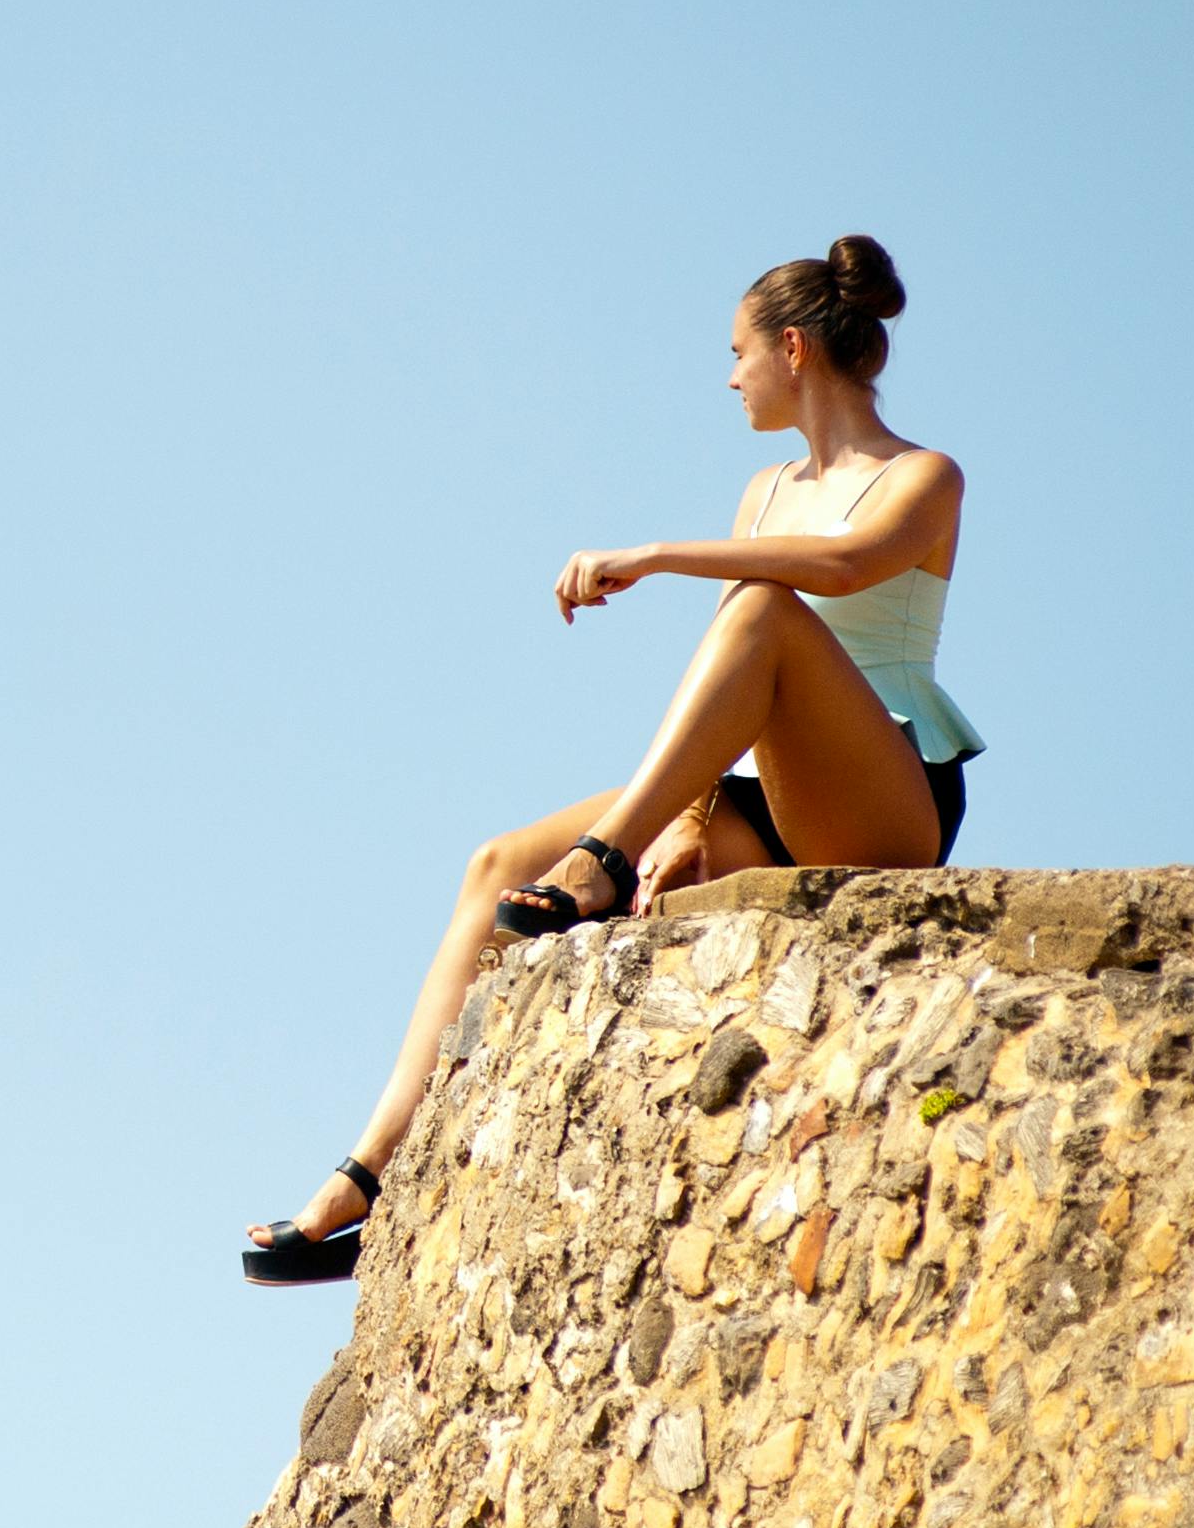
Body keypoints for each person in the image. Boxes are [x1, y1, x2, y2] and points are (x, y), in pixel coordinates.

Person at [241, 234, 983, 1286]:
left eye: (735, 353)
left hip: (883, 798)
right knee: (495, 866)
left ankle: (602, 857)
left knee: (768, 608)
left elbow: (843, 566)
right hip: (755, 787)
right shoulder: (763, 490)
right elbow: (731, 679)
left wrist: (655, 554)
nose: (726, 377)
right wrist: (685, 820)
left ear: (790, 349)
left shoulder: (924, 477)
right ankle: (370, 1174)